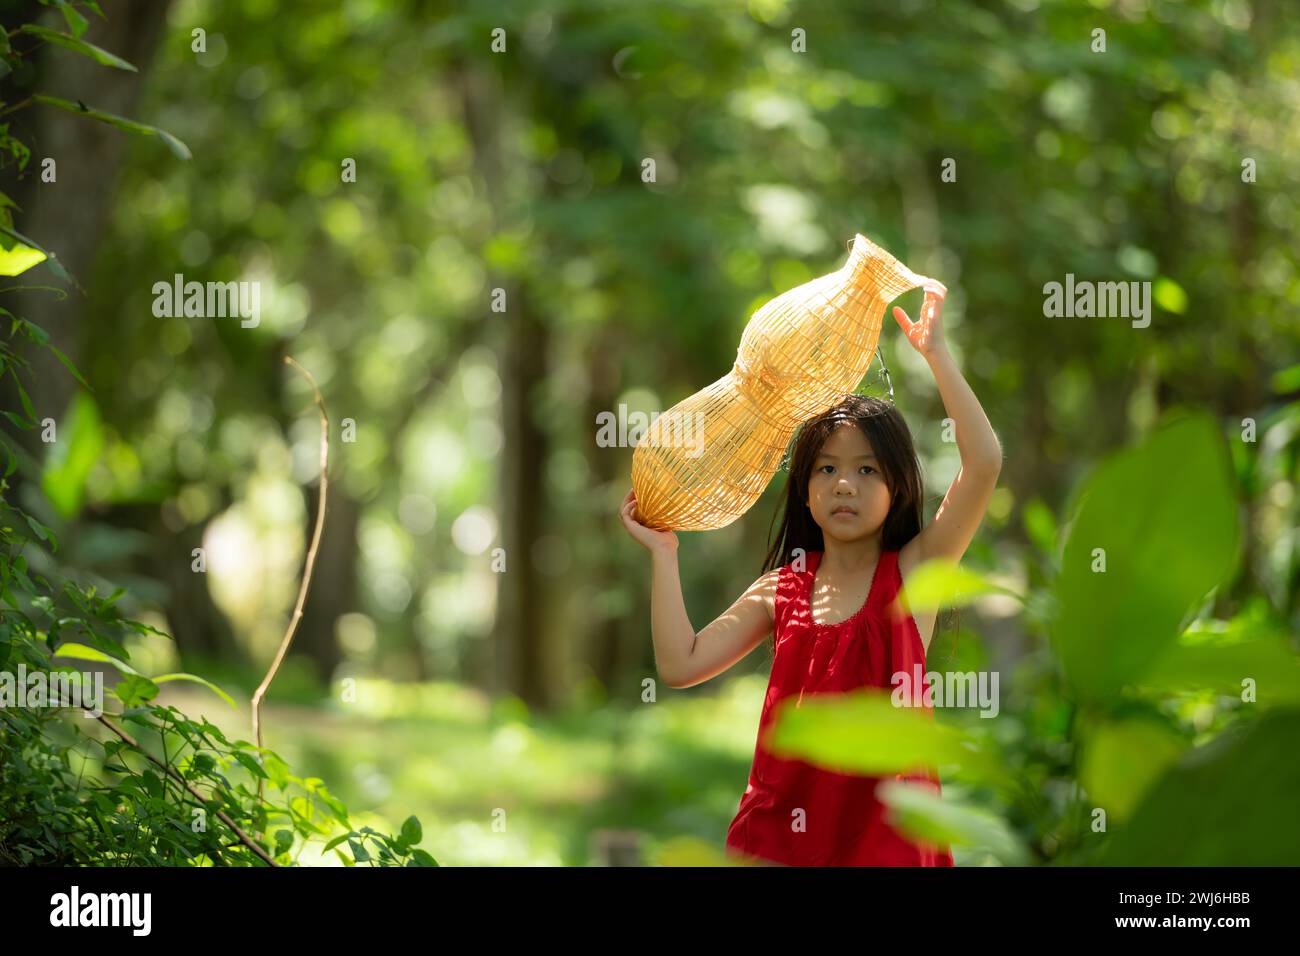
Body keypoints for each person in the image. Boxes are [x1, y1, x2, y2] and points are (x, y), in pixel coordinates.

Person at [619, 280, 1003, 866]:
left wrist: (937, 356)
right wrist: (664, 555)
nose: (844, 483)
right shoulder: (783, 589)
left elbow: (983, 464)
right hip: (781, 840)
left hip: (886, 846)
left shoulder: (916, 571)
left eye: (867, 470)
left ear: (897, 487)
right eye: (826, 468)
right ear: (803, 490)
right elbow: (680, 663)